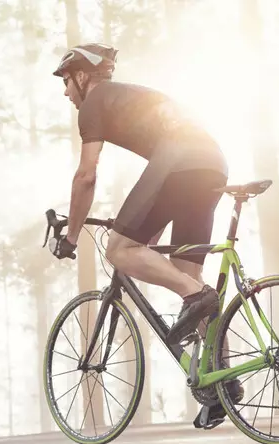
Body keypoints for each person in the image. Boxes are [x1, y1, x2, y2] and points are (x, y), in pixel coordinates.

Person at [48, 43, 227, 349]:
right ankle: (222, 379)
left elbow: (86, 176)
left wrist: (71, 238)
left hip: (179, 161)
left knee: (119, 250)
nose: (66, 93)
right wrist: (140, 233)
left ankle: (196, 297)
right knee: (187, 272)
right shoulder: (127, 96)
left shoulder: (94, 102)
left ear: (81, 76)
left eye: (65, 82)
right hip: (213, 164)